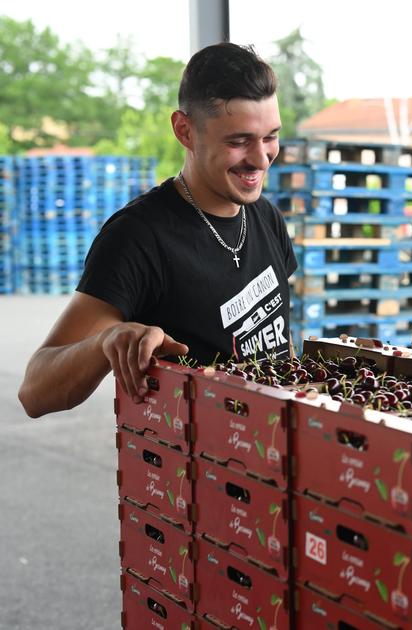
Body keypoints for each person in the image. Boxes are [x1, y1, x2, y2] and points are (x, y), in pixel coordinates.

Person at [19, 43, 297, 418]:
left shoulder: (266, 217)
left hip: (273, 441)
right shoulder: (138, 237)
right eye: (239, 141)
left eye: (270, 137)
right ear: (185, 130)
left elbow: (280, 341)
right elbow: (35, 392)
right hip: (193, 450)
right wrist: (105, 342)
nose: (261, 158)